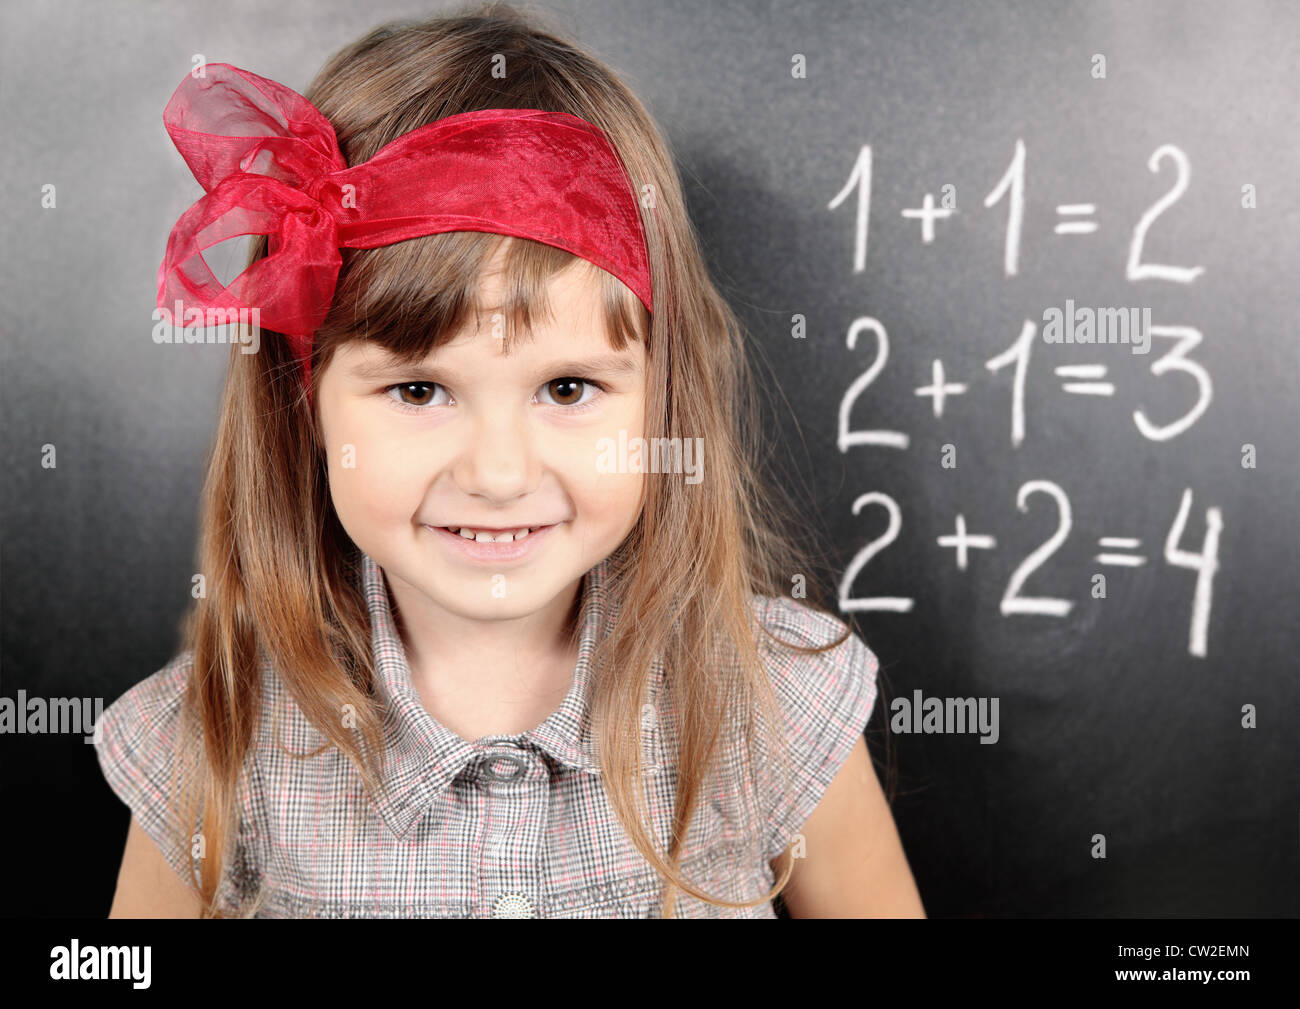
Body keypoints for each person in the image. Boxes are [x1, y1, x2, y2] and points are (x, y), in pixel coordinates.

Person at [97, 2, 924, 919]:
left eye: (567, 389)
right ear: (304, 407)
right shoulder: (214, 737)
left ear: (664, 394)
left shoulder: (772, 702)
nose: (497, 474)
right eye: (419, 392)